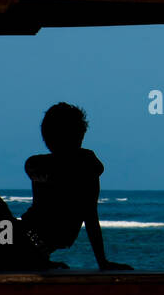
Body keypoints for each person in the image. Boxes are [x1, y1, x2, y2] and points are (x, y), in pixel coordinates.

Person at [17, 103, 132, 270]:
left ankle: (38, 259)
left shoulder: (84, 166)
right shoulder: (42, 164)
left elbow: (90, 216)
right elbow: (90, 216)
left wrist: (102, 262)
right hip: (23, 240)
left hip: (26, 242)